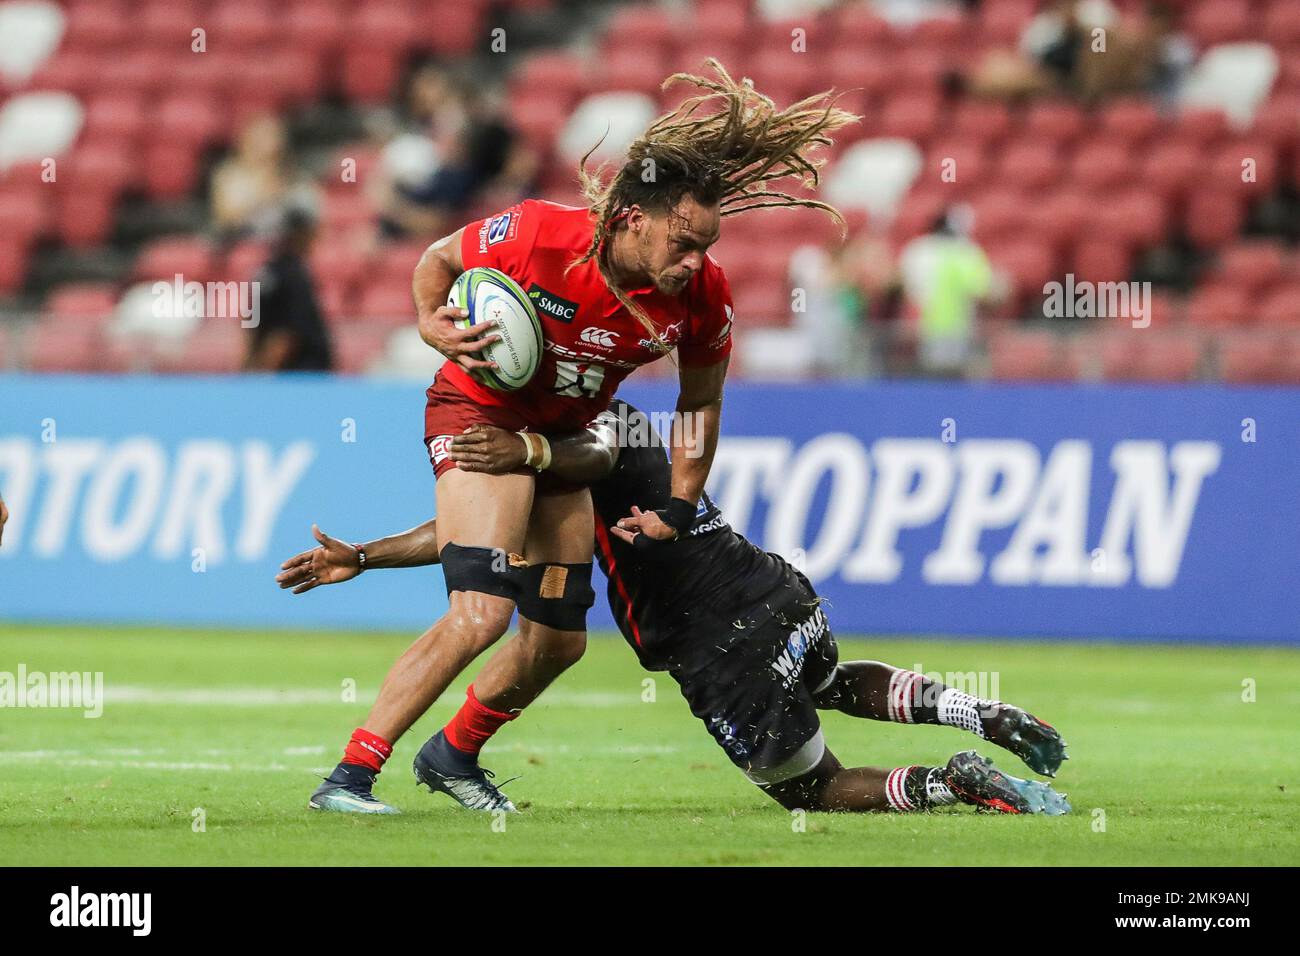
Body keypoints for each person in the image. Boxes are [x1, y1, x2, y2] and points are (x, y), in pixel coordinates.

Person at [305, 61, 859, 815]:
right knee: (481, 611)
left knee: (559, 639)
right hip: (477, 413)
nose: (696, 261)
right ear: (633, 218)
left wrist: (682, 503)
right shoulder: (537, 235)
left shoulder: (702, 294)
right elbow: (439, 261)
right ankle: (350, 775)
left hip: (557, 439)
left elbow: (699, 405)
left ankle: (452, 754)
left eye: (706, 245)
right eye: (684, 242)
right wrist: (431, 322)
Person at [278, 401, 1071, 815]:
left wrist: (530, 453)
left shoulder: (569, 439)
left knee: (810, 787)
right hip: (773, 585)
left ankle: (950, 784)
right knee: (826, 682)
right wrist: (369, 553)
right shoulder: (615, 409)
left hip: (716, 640)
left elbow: (580, 464)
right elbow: (477, 529)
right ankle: (978, 713)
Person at [244, 205, 334, 372]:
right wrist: (262, 372)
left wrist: (248, 368)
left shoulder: (265, 271)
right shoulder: (294, 276)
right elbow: (287, 333)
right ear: (301, 235)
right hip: (298, 376)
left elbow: (249, 323)